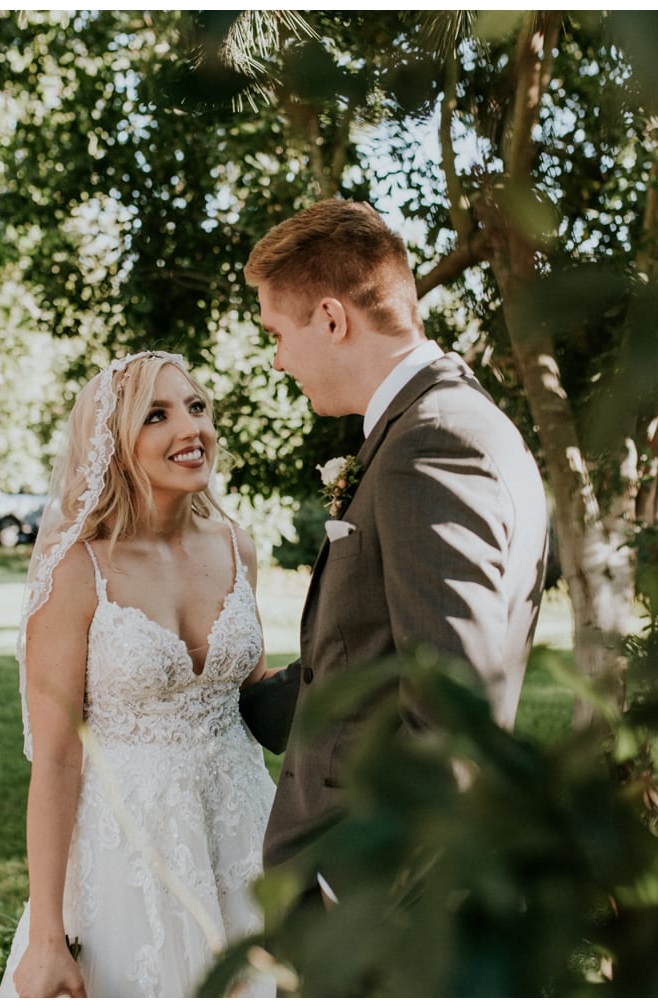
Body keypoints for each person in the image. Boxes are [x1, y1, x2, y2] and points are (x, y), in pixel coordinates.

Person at [242, 199, 551, 893]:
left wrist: (343, 892)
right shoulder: (429, 424)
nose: (277, 360)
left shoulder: (432, 444)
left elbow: (452, 715)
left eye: (277, 333)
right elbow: (376, 654)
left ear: (331, 319)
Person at [0, 350, 277, 998]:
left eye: (197, 407)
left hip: (246, 837)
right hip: (132, 861)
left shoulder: (237, 546)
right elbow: (57, 759)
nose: (191, 428)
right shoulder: (76, 570)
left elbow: (252, 691)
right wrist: (47, 937)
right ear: (115, 445)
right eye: (158, 415)